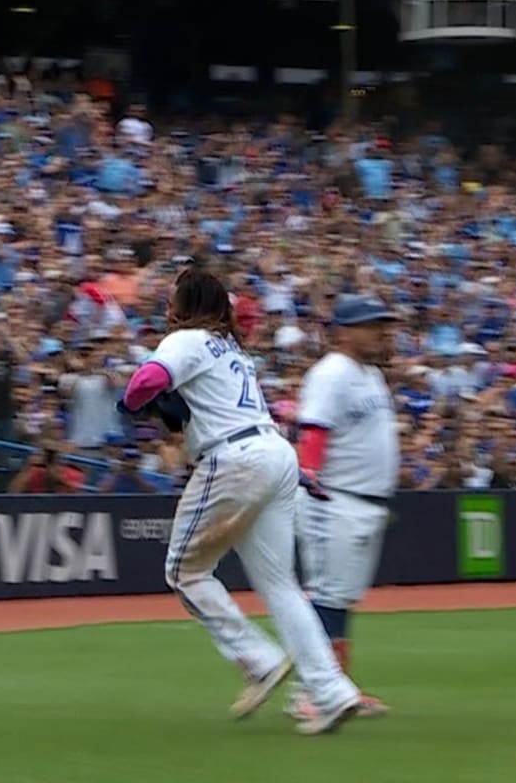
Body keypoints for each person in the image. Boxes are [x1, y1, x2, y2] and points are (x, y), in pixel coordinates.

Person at [118, 267, 361, 736]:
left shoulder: (186, 339)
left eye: (173, 299)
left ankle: (258, 659)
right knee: (282, 585)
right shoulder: (232, 349)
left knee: (183, 571)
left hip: (233, 459)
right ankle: (333, 692)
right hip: (273, 454)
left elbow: (147, 380)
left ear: (187, 305)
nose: (168, 307)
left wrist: (130, 403)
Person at [286, 295, 400, 722]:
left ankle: (338, 688)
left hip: (364, 501)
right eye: (372, 326)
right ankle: (310, 693)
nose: (382, 333)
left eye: (383, 325)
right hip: (332, 499)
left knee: (341, 598)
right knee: (326, 597)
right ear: (344, 332)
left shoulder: (371, 374)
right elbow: (314, 429)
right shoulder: (331, 372)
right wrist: (311, 475)